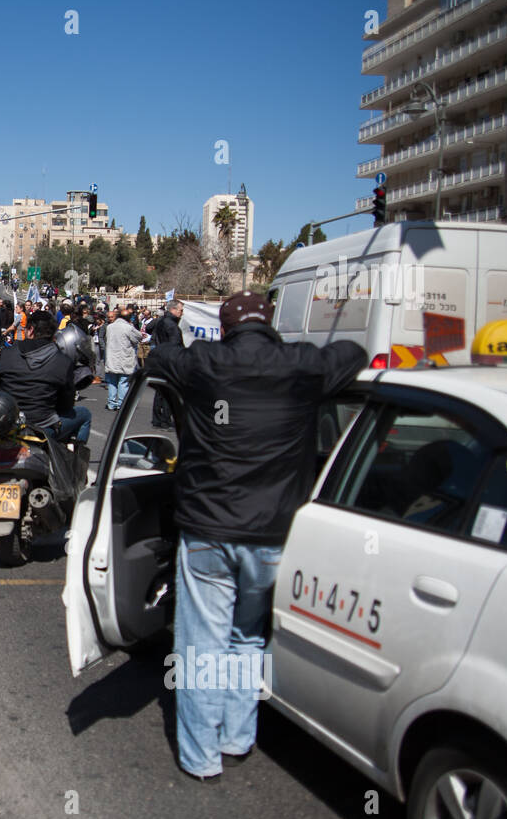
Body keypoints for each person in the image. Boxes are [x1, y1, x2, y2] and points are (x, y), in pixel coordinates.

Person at [145, 292, 366, 783]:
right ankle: (237, 737)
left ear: (223, 328)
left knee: (203, 645)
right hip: (274, 535)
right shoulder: (302, 366)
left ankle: (203, 757)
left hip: (207, 530)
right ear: (272, 325)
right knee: (248, 638)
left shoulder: (205, 362)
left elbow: (159, 355)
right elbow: (353, 354)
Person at [0, 310, 91, 444]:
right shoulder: (63, 361)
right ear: (54, 334)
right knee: (84, 414)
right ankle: (71, 461)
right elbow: (66, 404)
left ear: (30, 330)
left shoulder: (7, 353)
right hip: (43, 427)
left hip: (9, 424)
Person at [148, 299, 183, 429]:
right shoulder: (171, 325)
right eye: (180, 310)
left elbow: (150, 329)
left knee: (160, 392)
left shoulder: (161, 321)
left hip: (160, 359)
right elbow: (175, 345)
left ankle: (157, 419)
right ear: (173, 310)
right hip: (168, 362)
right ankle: (165, 420)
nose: (182, 313)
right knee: (169, 391)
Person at [103, 308, 145, 410]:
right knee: (123, 382)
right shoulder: (128, 327)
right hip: (124, 357)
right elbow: (137, 337)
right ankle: (121, 403)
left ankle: (111, 403)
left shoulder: (110, 327)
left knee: (112, 381)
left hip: (112, 357)